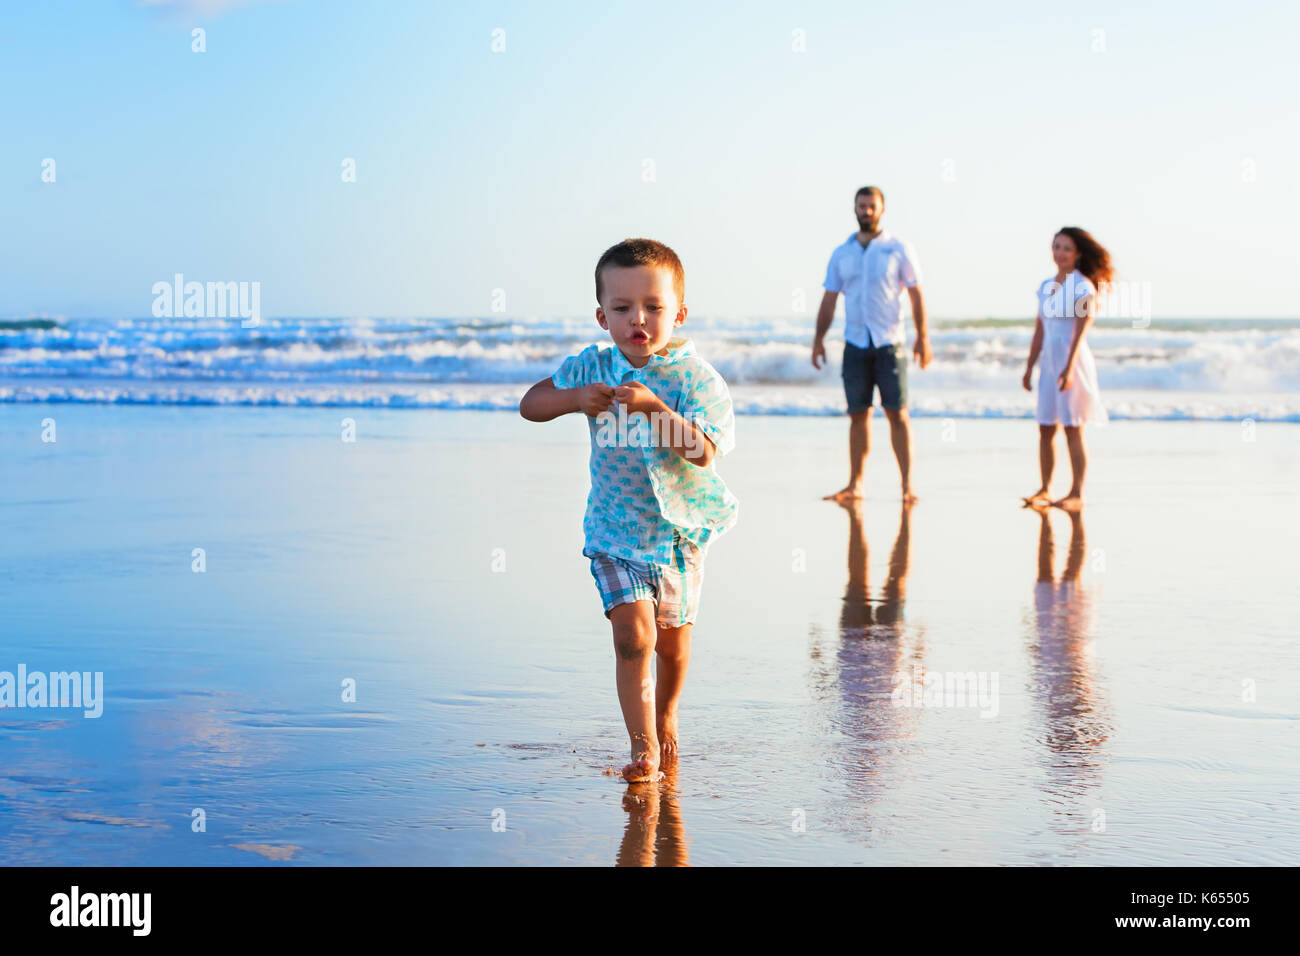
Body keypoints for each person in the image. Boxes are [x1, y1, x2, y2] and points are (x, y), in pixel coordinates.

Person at [518, 238, 739, 784]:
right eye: (622, 308)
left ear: (679, 313)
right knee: (633, 637)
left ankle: (666, 714)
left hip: (676, 536)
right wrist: (575, 399)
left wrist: (655, 408)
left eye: (653, 306)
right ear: (602, 316)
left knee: (673, 644)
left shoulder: (695, 379)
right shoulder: (594, 366)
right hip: (613, 531)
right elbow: (531, 405)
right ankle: (643, 747)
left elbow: (703, 451)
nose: (638, 319)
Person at [813, 186, 932, 505]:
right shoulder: (842, 252)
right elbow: (829, 299)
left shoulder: (898, 249)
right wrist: (818, 340)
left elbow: (916, 294)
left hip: (889, 343)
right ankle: (855, 484)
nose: (866, 211)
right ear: (854, 208)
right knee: (858, 415)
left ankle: (907, 486)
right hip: (854, 343)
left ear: (882, 210)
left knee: (898, 414)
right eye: (861, 206)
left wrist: (923, 337)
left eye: (871, 206)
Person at [1021, 227, 1112, 511]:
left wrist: (1069, 367)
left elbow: (1082, 329)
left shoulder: (1083, 286)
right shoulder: (1045, 286)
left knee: (1073, 427)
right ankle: (1045, 488)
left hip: (1072, 359)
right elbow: (1040, 329)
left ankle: (1076, 492)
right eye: (1056, 246)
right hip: (1049, 361)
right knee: (1046, 426)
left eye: (1066, 248)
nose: (1060, 253)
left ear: (1078, 254)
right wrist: (1029, 367)